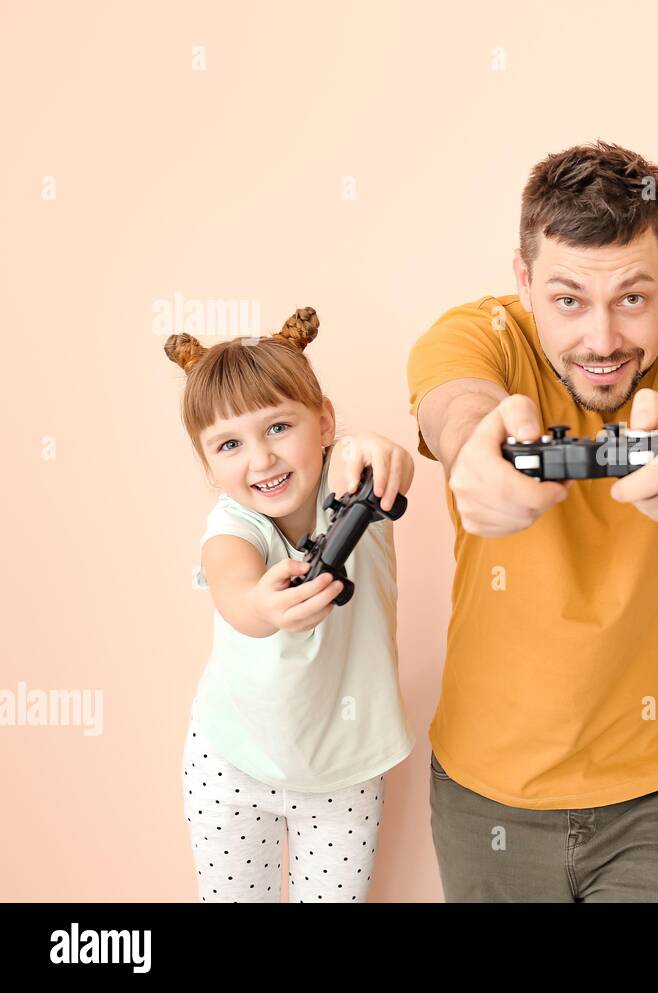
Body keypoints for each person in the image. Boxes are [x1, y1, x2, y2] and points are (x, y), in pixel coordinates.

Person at [406, 140, 658, 901]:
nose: (604, 340)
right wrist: (471, 451)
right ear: (523, 281)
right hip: (488, 795)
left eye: (635, 298)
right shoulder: (477, 333)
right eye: (569, 299)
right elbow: (455, 403)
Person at [165, 307, 416, 902]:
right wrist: (264, 605)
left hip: (344, 774)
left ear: (324, 421)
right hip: (232, 763)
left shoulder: (356, 490)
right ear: (208, 463)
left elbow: (382, 456)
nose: (261, 459)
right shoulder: (233, 524)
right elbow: (235, 592)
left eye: (279, 427)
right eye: (229, 444)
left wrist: (380, 452)